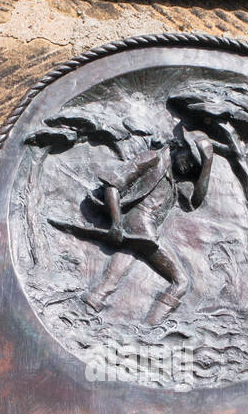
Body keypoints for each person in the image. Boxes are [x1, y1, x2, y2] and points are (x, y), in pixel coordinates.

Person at [79, 127, 213, 325]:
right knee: (181, 281)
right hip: (141, 226)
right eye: (190, 159)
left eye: (195, 165)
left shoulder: (174, 177)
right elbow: (113, 186)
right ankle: (152, 324)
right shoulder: (153, 158)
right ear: (180, 148)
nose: (190, 167)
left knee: (121, 263)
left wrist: (207, 165)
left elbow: (195, 201)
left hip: (139, 229)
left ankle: (91, 302)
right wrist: (116, 223)